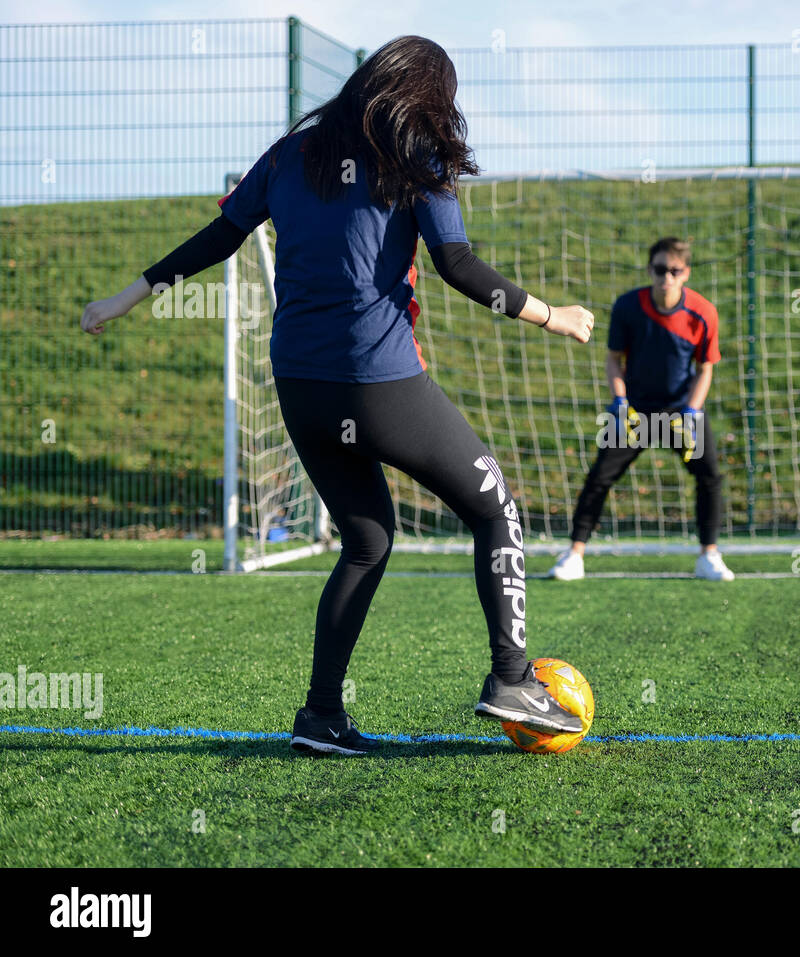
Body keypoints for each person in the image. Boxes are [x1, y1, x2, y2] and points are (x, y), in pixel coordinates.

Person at [79, 36, 593, 755]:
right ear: (427, 98)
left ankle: (321, 715)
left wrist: (125, 297)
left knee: (367, 538)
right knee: (494, 505)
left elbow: (216, 239)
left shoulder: (292, 155)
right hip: (376, 382)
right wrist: (554, 315)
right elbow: (458, 264)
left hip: (300, 386)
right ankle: (511, 676)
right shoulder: (418, 160)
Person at [548, 237, 734, 582]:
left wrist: (692, 411)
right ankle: (574, 554)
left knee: (709, 476)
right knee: (599, 477)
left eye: (674, 270)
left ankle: (709, 555)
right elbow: (613, 361)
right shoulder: (628, 307)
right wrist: (620, 402)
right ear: (650, 270)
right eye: (660, 269)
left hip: (682, 410)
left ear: (685, 273)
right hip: (635, 412)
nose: (667, 276)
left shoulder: (703, 312)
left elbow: (706, 368)